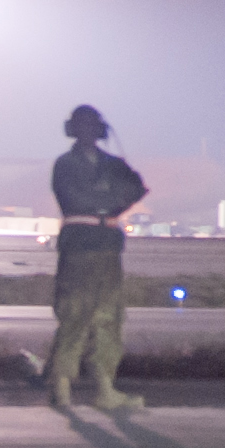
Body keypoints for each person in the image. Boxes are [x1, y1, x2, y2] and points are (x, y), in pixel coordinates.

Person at [45, 102, 149, 410]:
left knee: (109, 317)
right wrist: (107, 197)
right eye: (82, 125)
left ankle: (105, 387)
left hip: (107, 247)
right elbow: (74, 197)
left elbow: (136, 188)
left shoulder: (112, 163)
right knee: (74, 314)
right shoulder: (65, 164)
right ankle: (62, 384)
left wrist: (104, 197)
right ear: (73, 129)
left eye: (93, 125)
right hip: (79, 247)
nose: (88, 131)